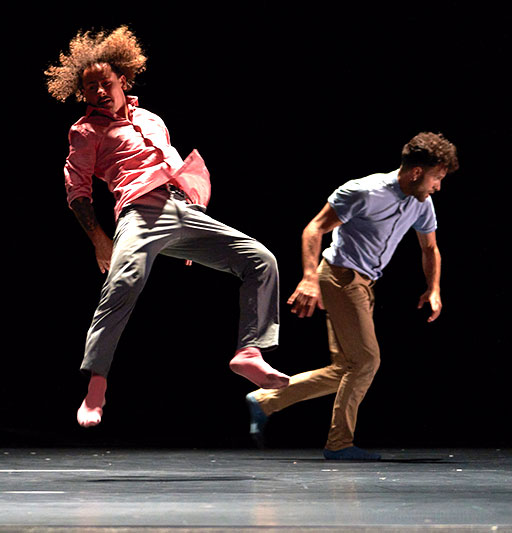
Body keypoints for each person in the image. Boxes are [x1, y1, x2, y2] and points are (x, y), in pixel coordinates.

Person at [45, 26, 289, 428]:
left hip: (183, 209)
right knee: (122, 285)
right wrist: (99, 240)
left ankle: (249, 352)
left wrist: (196, 228)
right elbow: (77, 189)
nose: (99, 93)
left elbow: (177, 170)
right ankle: (96, 386)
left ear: (122, 80)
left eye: (104, 84)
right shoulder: (85, 131)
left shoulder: (152, 119)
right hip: (138, 214)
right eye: (90, 89)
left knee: (260, 259)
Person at [246, 132, 459, 460]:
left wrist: (434, 288)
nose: (438, 186)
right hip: (340, 277)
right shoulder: (365, 191)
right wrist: (308, 279)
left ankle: (265, 400)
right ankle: (340, 443)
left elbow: (430, 247)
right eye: (437, 177)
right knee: (367, 360)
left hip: (365, 284)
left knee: (347, 366)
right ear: (417, 172)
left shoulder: (421, 204)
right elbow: (315, 228)